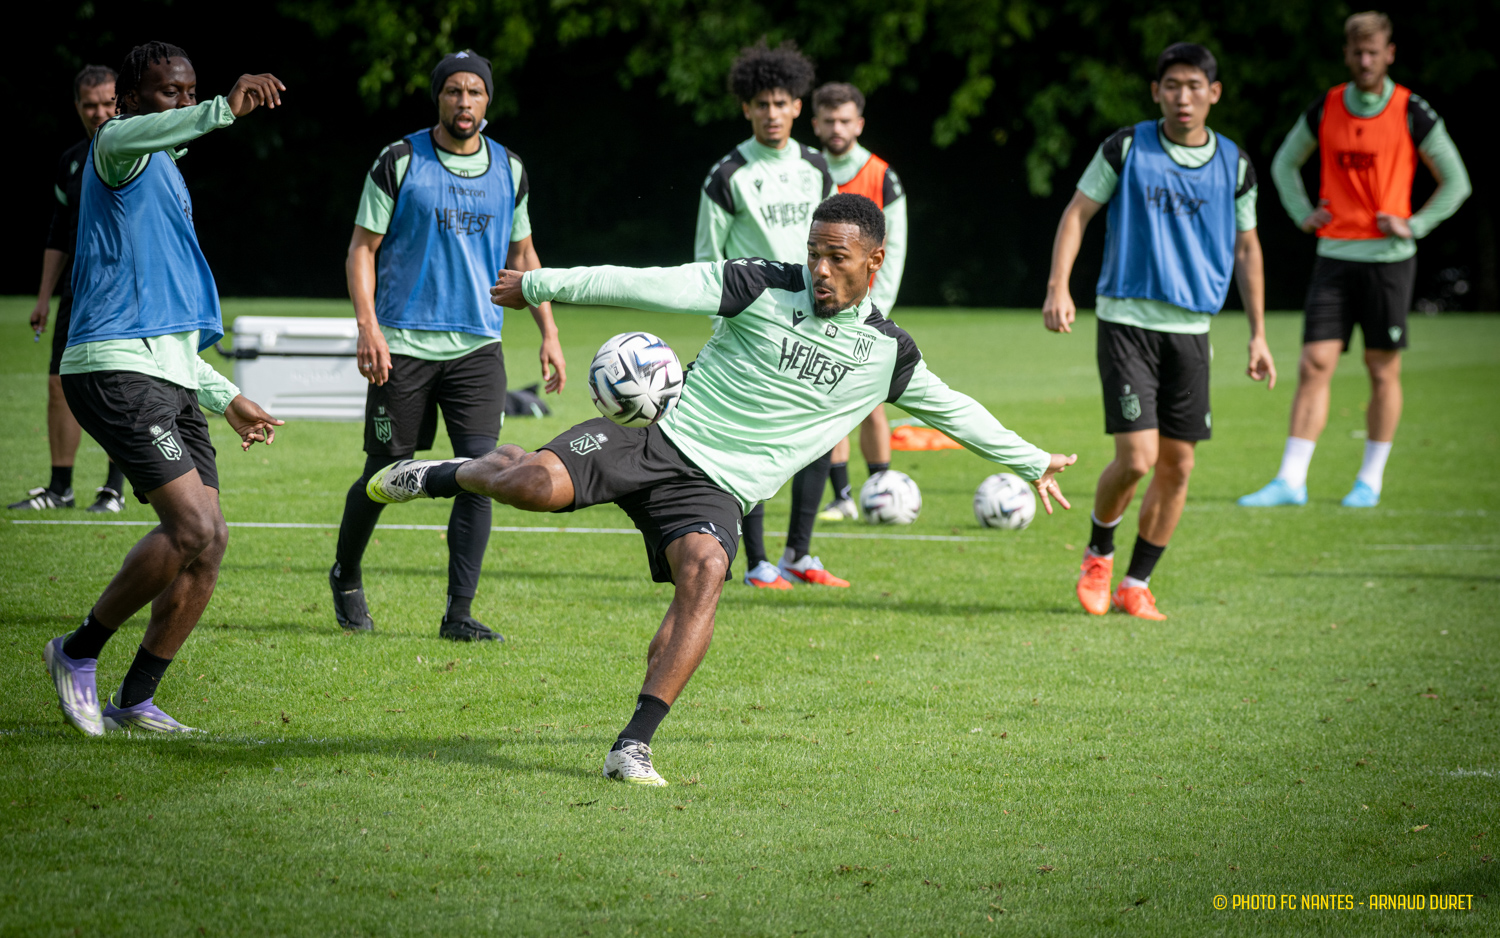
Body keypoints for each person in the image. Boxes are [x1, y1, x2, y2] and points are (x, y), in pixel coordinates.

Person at [366, 194, 1077, 785]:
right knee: (523, 482)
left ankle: (632, 744)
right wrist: (544, 284)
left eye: (838, 259)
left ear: (875, 263)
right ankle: (435, 473)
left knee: (706, 570)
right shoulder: (758, 285)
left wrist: (1030, 459)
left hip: (715, 491)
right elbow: (649, 282)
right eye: (815, 254)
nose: (821, 270)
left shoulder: (888, 354)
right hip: (655, 438)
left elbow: (954, 407)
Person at [45, 42, 285, 736]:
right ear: (126, 101)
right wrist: (220, 109)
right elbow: (163, 130)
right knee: (192, 525)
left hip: (167, 374)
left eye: (189, 91)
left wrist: (225, 396)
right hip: (113, 366)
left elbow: (169, 323)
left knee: (211, 545)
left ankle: (137, 699)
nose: (179, 103)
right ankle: (76, 650)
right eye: (166, 92)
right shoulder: (114, 146)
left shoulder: (169, 177)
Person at [330, 50, 566, 641]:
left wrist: (550, 332)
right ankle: (347, 574)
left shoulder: (509, 168)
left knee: (484, 471)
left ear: (489, 99)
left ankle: (458, 614)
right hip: (402, 344)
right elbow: (363, 247)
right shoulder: (401, 159)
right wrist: (368, 325)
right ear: (439, 98)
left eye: (476, 92)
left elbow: (523, 257)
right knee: (384, 472)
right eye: (454, 92)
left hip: (478, 346)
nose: (465, 102)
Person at [1041, 43, 1276, 621]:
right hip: (1127, 321)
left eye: (1195, 86)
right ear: (1156, 92)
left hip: (1193, 330)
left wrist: (1259, 334)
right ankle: (1098, 555)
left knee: (1179, 466)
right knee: (1139, 458)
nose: (1183, 96)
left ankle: (1135, 583)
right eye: (1172, 85)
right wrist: (1058, 286)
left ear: (1214, 93)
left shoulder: (1235, 165)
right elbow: (1076, 213)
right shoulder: (1127, 147)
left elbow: (1248, 248)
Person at [1238, 11, 1470, 509]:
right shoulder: (1327, 108)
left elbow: (1457, 180)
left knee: (1380, 368)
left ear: (1389, 54)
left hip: (1389, 260)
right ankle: (1290, 481)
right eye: (1357, 52)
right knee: (1313, 363)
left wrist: (1416, 224)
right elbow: (1283, 164)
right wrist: (1304, 213)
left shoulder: (1412, 110)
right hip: (1334, 256)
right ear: (1346, 55)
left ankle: (1369, 481)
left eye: (1374, 52)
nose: (1365, 61)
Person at [693, 40, 841, 590]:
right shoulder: (728, 174)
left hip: (817, 319)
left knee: (820, 435)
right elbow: (707, 259)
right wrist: (721, 319)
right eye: (761, 104)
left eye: (781, 103)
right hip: (753, 328)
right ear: (746, 109)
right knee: (755, 440)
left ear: (799, 106)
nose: (772, 114)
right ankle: (756, 562)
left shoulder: (817, 168)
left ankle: (799, 554)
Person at [12, 65, 124, 514]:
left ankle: (114, 488)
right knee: (59, 384)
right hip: (77, 293)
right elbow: (59, 232)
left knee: (119, 386)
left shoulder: (139, 154)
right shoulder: (72, 161)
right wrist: (43, 297)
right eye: (89, 104)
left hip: (122, 293)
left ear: (121, 103)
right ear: (78, 106)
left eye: (107, 103)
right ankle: (61, 487)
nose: (99, 112)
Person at [807, 81, 908, 522]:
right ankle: (843, 495)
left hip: (868, 305)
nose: (836, 127)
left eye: (845, 119)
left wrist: (874, 306)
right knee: (826, 392)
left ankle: (881, 486)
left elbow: (896, 245)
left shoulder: (882, 175)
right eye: (828, 119)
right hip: (822, 299)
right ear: (814, 123)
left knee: (872, 398)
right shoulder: (805, 169)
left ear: (859, 123)